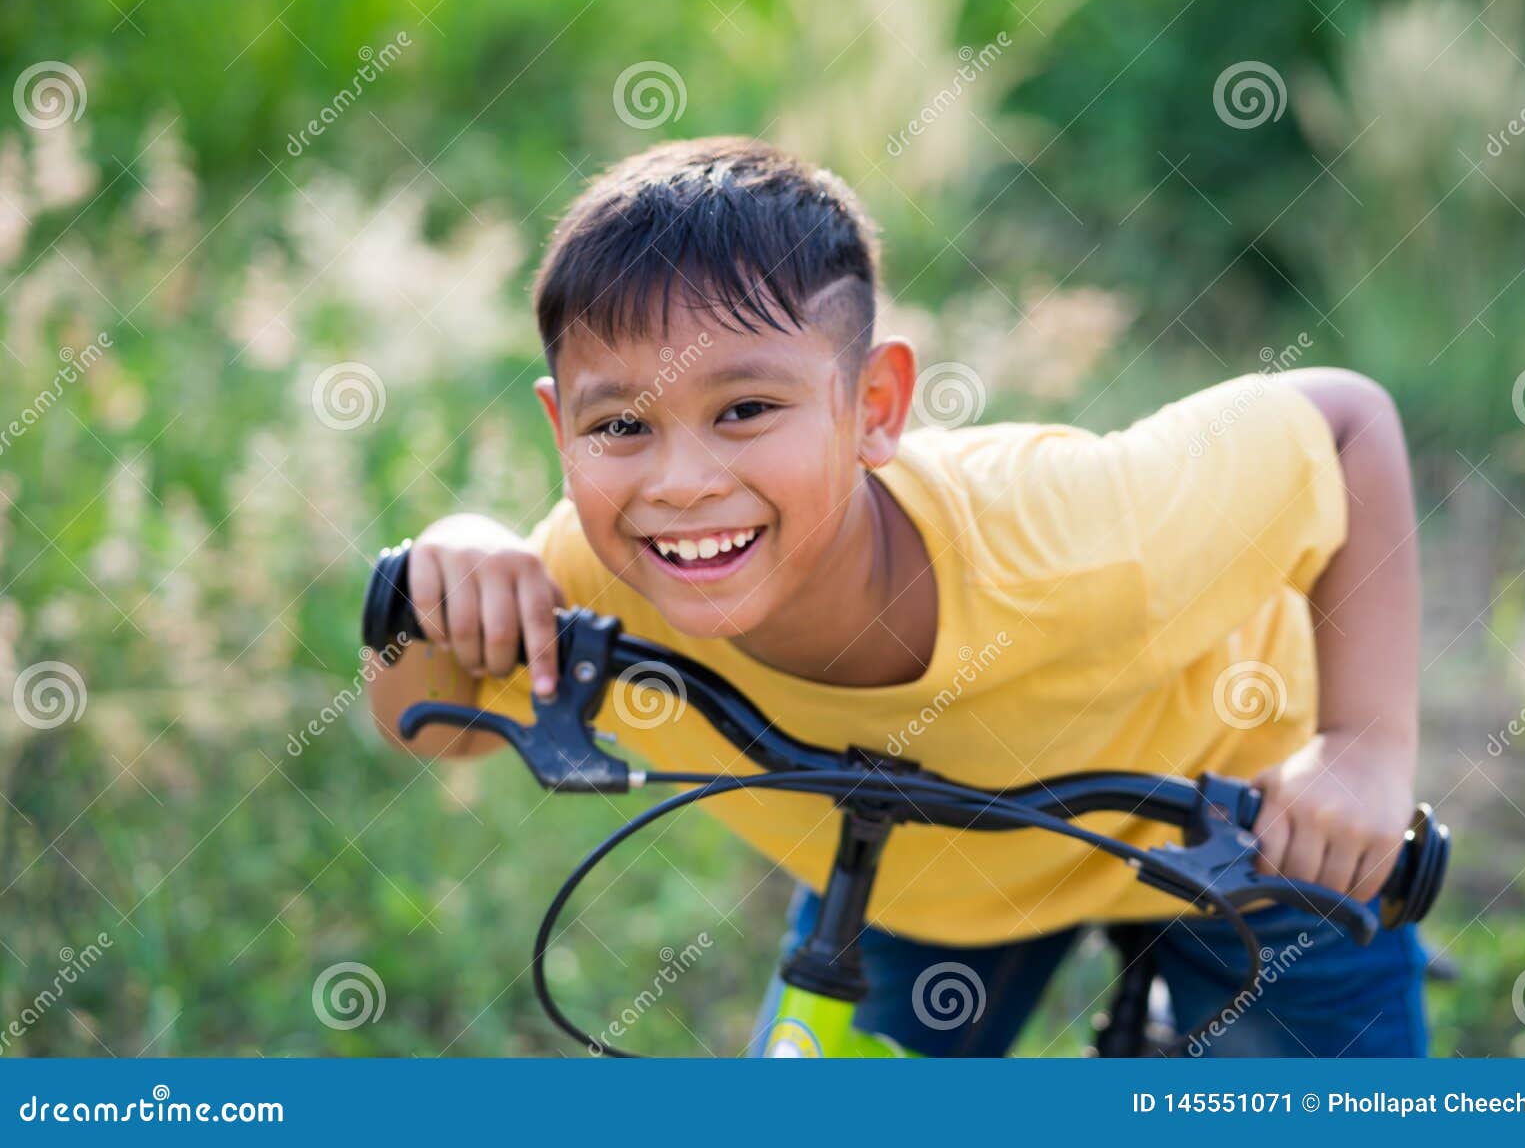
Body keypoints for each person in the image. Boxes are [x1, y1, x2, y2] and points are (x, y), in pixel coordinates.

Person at [368, 136, 1426, 1057]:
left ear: (874, 406)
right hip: (927, 880)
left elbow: (1346, 422)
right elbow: (434, 724)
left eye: (745, 408)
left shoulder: (1080, 532)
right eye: (621, 426)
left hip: (1246, 827)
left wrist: (1364, 749)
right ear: (563, 431)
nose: (680, 482)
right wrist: (447, 564)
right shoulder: (600, 574)